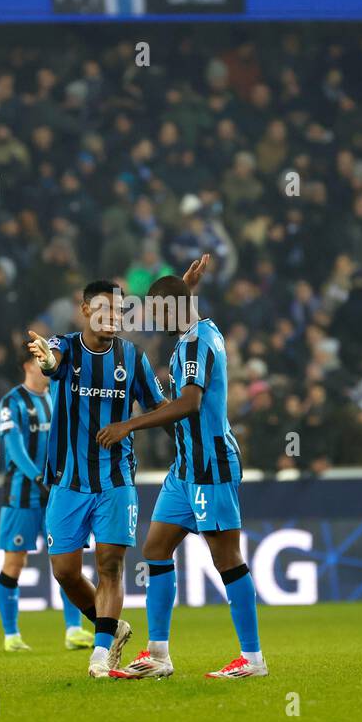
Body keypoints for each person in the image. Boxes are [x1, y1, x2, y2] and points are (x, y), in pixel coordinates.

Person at [95, 255, 268, 680]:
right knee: (155, 549)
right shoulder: (196, 332)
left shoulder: (195, 343)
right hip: (184, 468)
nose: (155, 321)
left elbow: (189, 403)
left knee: (226, 557)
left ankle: (253, 659)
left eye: (158, 313)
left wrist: (129, 424)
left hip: (210, 466)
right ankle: (158, 655)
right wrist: (183, 287)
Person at [26, 279, 167, 679]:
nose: (113, 319)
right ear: (86, 311)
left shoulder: (133, 358)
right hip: (68, 481)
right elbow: (50, 362)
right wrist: (45, 360)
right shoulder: (67, 348)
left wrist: (131, 425)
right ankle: (113, 627)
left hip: (116, 480)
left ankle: (100, 653)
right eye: (104, 311)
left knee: (110, 564)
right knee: (65, 571)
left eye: (119, 312)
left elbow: (160, 409)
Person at [0, 353, 95, 652]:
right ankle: (11, 635)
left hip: (57, 493)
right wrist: (39, 478)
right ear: (27, 365)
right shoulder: (11, 402)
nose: (48, 365)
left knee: (67, 559)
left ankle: (73, 630)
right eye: (40, 360)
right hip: (22, 495)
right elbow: (14, 448)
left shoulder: (55, 397)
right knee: (15, 562)